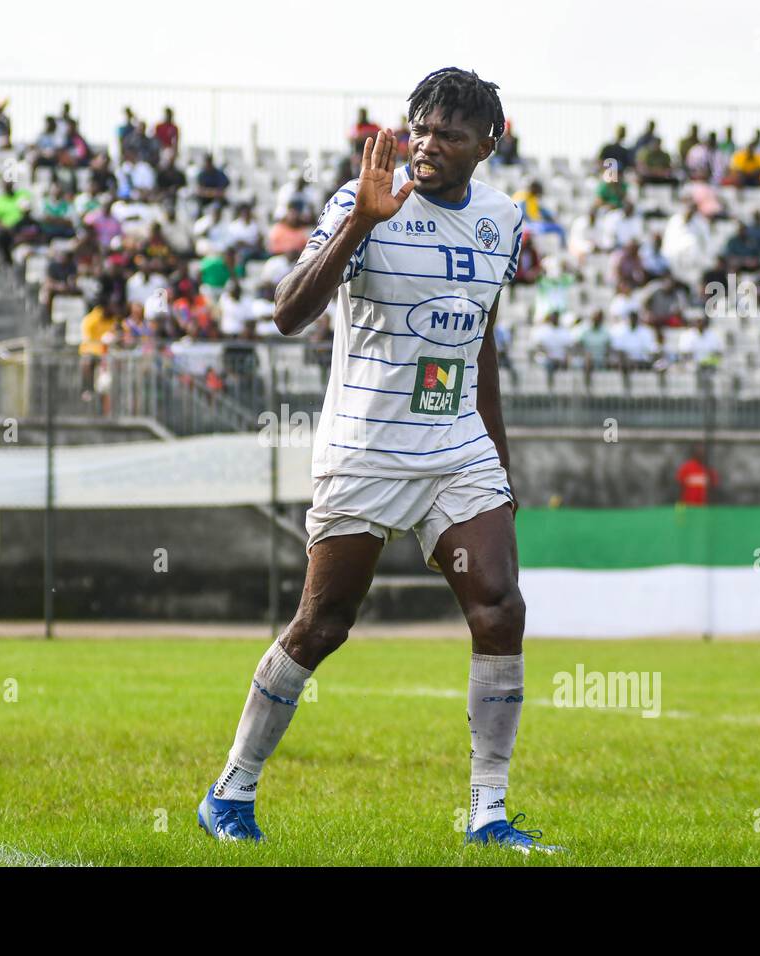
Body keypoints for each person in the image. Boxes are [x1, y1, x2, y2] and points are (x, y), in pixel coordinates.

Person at [198, 67, 561, 855]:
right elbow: (290, 312)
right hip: (366, 448)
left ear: (487, 146)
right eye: (420, 129)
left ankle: (488, 812)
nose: (427, 145)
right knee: (324, 625)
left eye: (449, 135)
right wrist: (361, 223)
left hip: (457, 448)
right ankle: (232, 788)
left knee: (500, 607)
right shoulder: (364, 198)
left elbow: (480, 339)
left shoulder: (504, 219)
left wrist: (498, 460)